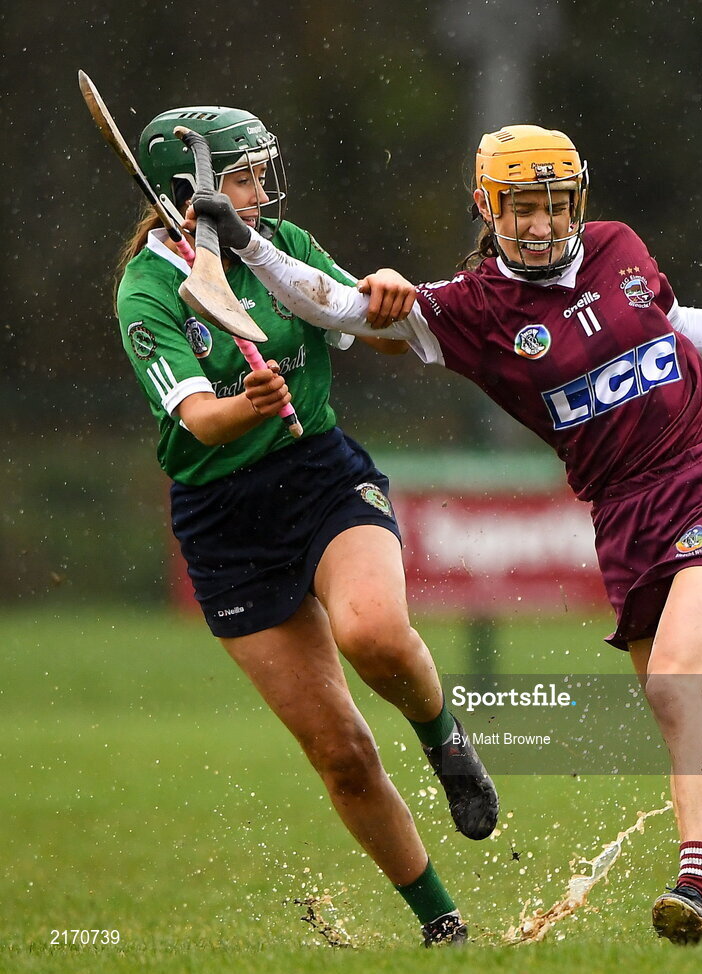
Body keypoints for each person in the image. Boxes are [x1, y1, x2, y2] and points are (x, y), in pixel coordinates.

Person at [191, 123, 702, 945]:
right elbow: (334, 306)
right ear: (487, 208)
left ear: (576, 202)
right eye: (521, 210)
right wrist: (248, 245)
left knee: (674, 684)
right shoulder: (471, 311)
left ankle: (697, 888)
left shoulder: (619, 245)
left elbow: (667, 322)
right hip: (622, 521)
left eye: (555, 206)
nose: (542, 226)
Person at [115, 105, 501, 948]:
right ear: (189, 192)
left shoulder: (279, 242)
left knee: (376, 636)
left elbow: (375, 331)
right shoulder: (145, 291)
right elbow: (197, 423)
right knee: (342, 754)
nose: (261, 192)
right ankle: (443, 926)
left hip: (318, 473)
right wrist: (243, 407)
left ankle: (446, 745)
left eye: (259, 174)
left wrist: (388, 301)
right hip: (223, 522)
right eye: (243, 177)